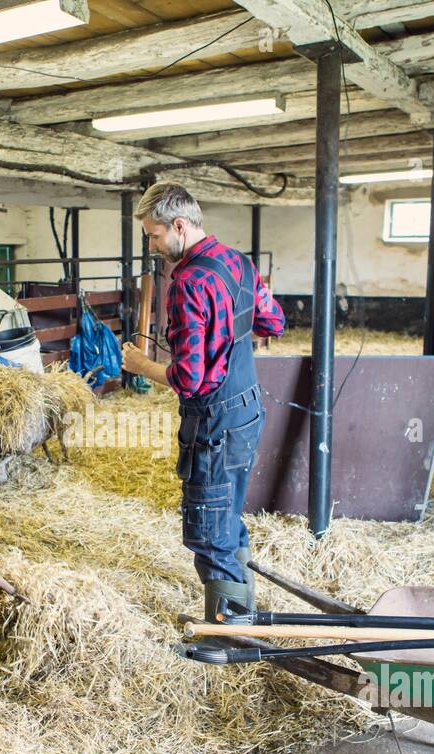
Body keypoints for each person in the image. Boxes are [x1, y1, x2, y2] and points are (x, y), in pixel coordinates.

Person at [120, 182, 285, 621]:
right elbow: (273, 321)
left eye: (154, 236)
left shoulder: (189, 281)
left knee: (210, 530)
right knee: (228, 509)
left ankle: (232, 627)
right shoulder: (239, 263)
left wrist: (141, 365)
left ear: (178, 226)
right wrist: (227, 331)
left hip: (213, 420)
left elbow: (189, 379)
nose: (153, 245)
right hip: (248, 407)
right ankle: (244, 603)